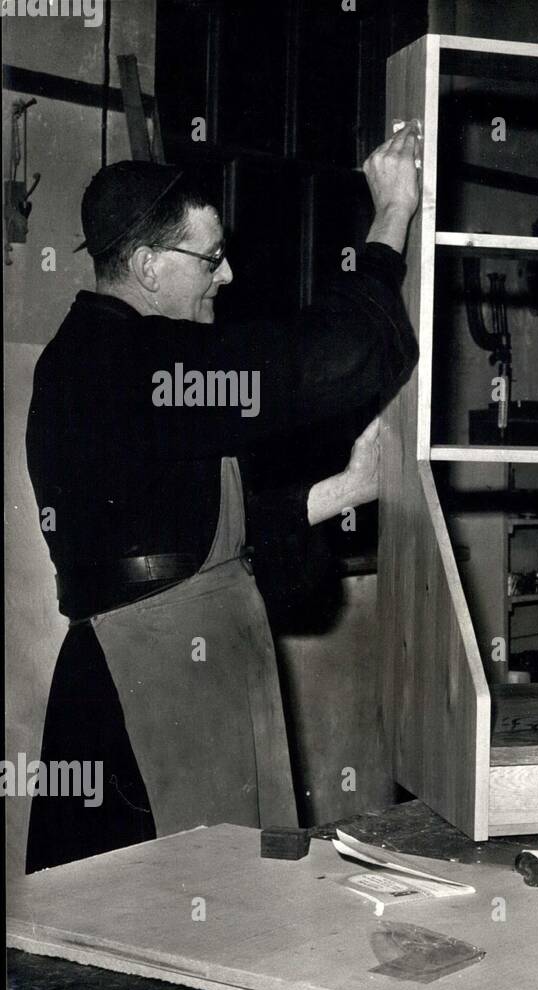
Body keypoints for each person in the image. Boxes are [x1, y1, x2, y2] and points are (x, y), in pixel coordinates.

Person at [25, 126, 421, 872]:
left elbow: (193, 533)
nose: (229, 275)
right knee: (182, 918)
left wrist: (347, 488)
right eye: (209, 258)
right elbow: (327, 359)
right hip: (158, 691)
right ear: (145, 266)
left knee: (214, 909)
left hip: (172, 666)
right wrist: (392, 219)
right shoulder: (137, 363)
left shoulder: (103, 361)